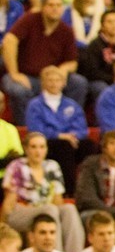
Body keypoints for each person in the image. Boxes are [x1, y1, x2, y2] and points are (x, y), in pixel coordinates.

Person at [1, 0, 88, 124]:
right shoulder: (30, 20)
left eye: (58, 5)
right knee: (18, 89)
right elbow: (9, 40)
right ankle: (26, 129)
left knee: (79, 83)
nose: (55, 8)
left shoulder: (66, 30)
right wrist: (14, 73)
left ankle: (70, 123)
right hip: (26, 76)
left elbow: (72, 62)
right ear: (43, 7)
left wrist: (61, 71)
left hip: (51, 77)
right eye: (51, 5)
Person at [2, 132, 85, 252]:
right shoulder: (17, 166)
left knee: (69, 209)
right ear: (26, 148)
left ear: (46, 149)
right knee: (49, 210)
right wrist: (2, 224)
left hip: (46, 209)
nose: (38, 151)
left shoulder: (52, 166)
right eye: (34, 147)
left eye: (42, 147)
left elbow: (58, 201)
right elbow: (9, 202)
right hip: (20, 211)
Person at [25, 65, 98, 193]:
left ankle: (90, 189)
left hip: (71, 140)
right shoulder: (35, 105)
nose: (54, 84)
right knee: (64, 147)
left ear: (63, 83)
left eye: (57, 80)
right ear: (43, 83)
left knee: (89, 145)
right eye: (50, 80)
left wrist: (72, 136)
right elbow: (35, 129)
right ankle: (69, 191)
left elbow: (82, 128)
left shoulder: (71, 105)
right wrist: (59, 135)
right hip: (49, 142)